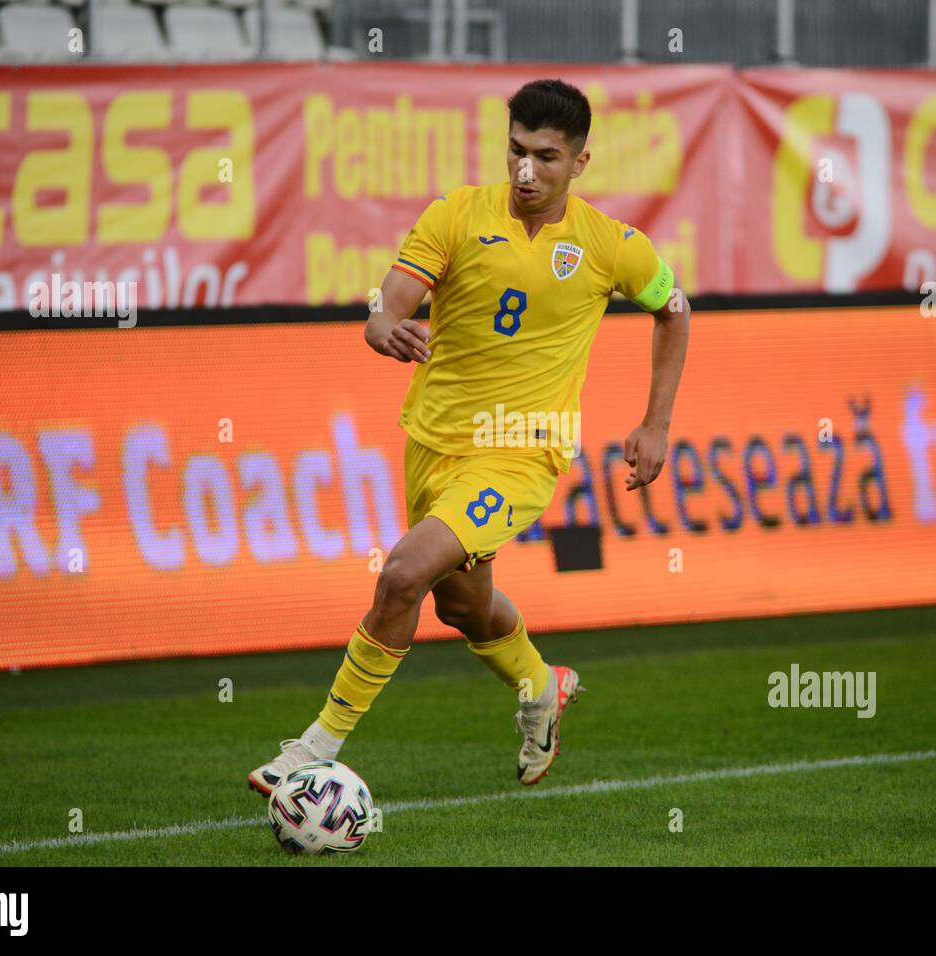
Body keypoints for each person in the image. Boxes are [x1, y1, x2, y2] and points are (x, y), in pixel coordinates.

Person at [249, 77, 690, 792]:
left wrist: (656, 423)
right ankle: (542, 688)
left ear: (580, 162)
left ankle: (310, 750)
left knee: (401, 576)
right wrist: (381, 325)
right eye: (516, 150)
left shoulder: (611, 246)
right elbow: (387, 300)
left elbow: (675, 307)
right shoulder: (457, 215)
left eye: (546, 157)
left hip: (522, 453)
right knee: (462, 604)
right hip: (433, 441)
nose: (526, 170)